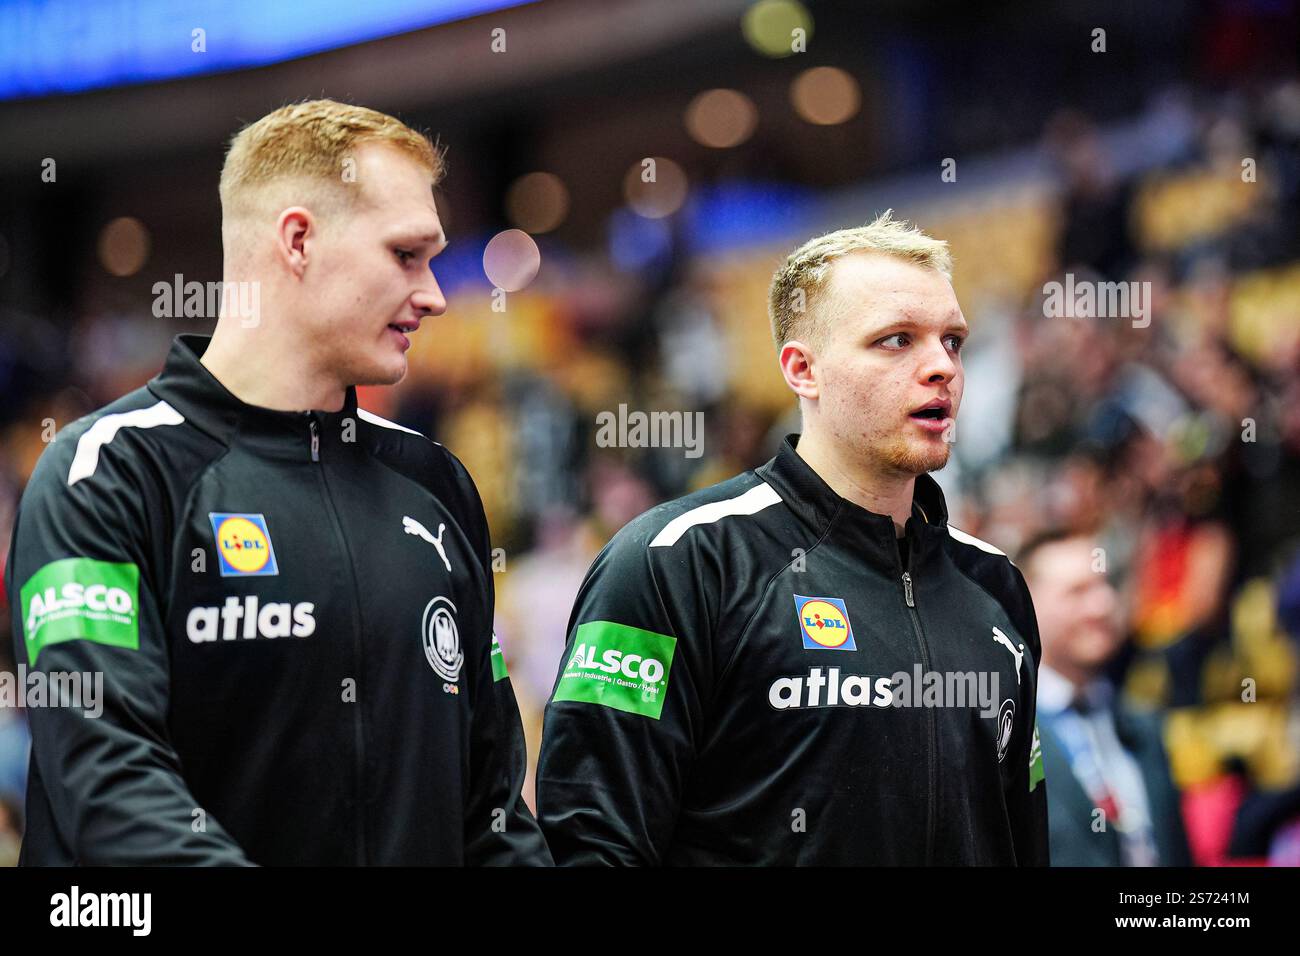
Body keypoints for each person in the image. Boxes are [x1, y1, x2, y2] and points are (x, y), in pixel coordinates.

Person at [6, 100, 551, 865]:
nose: (434, 293)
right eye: (405, 255)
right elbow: (107, 788)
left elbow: (490, 809)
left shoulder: (435, 483)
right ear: (298, 240)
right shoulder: (107, 472)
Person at [536, 213, 1049, 864]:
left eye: (952, 341)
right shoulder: (677, 560)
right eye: (896, 340)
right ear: (803, 370)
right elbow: (592, 847)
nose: (940, 367)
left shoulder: (995, 584)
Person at [1018, 529, 1190, 866]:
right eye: (1077, 592)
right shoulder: (1007, 740)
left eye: (1105, 585)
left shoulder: (1144, 726)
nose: (1103, 605)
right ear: (1026, 606)